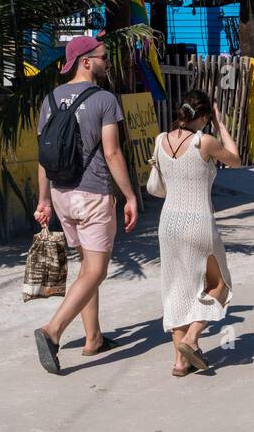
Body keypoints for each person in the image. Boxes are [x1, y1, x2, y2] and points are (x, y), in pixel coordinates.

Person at [32, 34, 139, 374]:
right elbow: (112, 152)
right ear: (86, 61)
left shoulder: (50, 99)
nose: (108, 63)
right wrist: (131, 196)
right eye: (104, 57)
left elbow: (43, 155)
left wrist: (43, 199)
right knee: (97, 270)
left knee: (86, 268)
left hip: (62, 195)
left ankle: (93, 338)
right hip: (93, 194)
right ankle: (52, 331)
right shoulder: (105, 99)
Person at [153, 90, 241, 376]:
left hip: (168, 225)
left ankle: (180, 363)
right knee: (220, 283)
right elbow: (236, 159)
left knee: (177, 290)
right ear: (203, 116)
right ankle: (191, 339)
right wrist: (221, 123)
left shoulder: (160, 141)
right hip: (198, 224)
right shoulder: (204, 141)